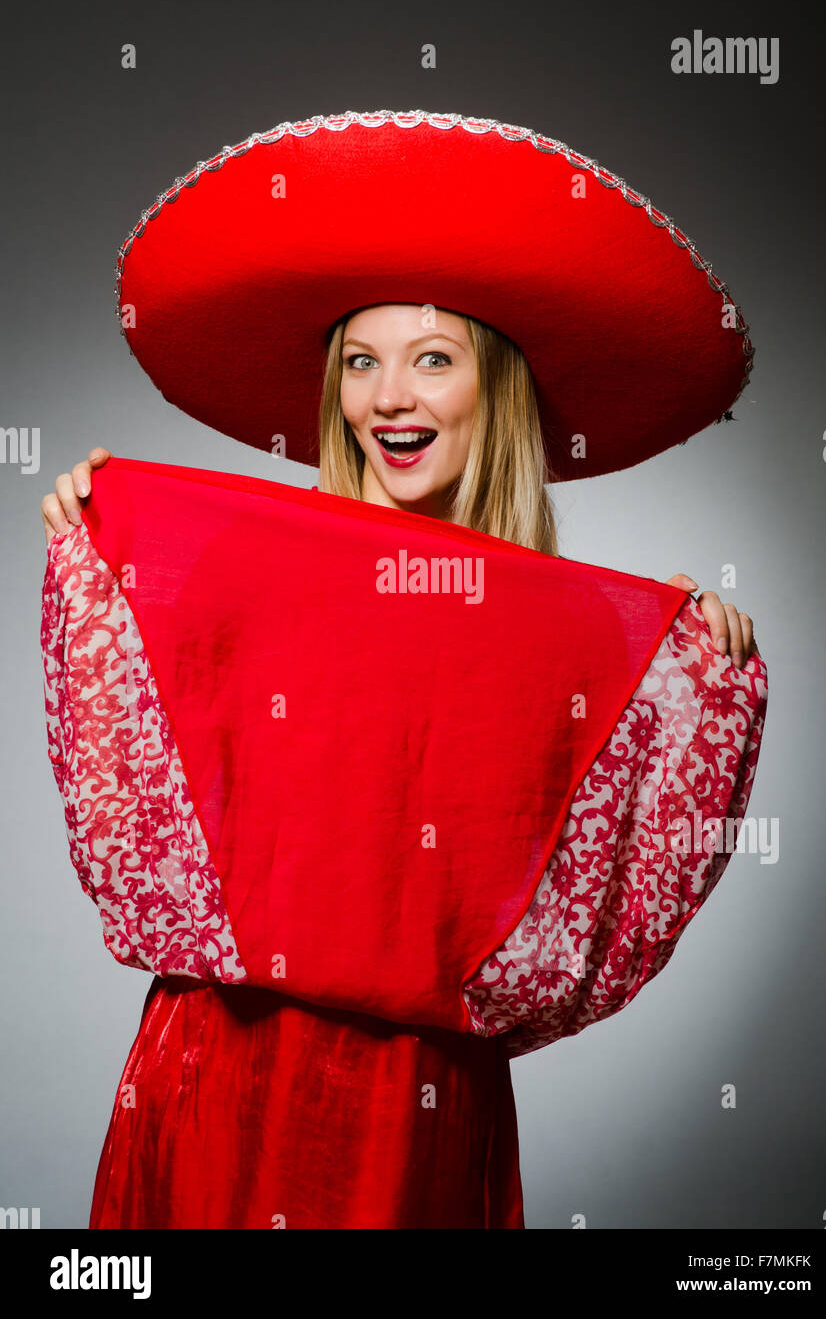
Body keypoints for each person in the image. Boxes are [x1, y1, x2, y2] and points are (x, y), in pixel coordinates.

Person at [39, 111, 768, 1229]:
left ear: (497, 390)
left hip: (419, 1103)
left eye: (434, 360)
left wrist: (685, 677)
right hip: (221, 1071)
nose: (390, 399)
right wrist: (108, 534)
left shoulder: (562, 643)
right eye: (362, 362)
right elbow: (138, 774)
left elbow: (582, 920)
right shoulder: (241, 567)